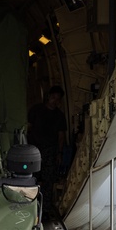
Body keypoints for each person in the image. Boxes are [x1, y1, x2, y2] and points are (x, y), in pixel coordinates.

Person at [26, 85, 68, 215]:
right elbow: (28, 128)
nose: (55, 101)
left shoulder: (59, 116)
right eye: (53, 97)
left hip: (50, 150)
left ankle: (45, 209)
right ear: (48, 96)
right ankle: (30, 206)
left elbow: (61, 136)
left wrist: (59, 153)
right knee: (31, 178)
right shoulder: (36, 110)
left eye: (58, 99)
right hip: (33, 149)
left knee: (48, 180)